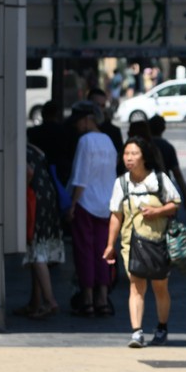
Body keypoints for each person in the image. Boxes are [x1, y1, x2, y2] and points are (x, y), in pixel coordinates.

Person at [104, 137, 182, 348]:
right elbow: (115, 216)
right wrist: (110, 244)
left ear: (144, 156)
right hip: (131, 244)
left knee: (160, 286)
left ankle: (161, 327)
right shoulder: (121, 183)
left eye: (134, 153)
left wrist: (157, 211)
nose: (128, 158)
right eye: (126, 154)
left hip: (158, 242)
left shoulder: (159, 179)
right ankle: (137, 332)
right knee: (136, 286)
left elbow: (175, 204)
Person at [68, 101, 119, 317]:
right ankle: (103, 299)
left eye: (79, 120)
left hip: (85, 203)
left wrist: (71, 205)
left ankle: (88, 299)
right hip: (106, 204)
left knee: (84, 252)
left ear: (88, 118)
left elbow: (81, 177)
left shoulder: (85, 141)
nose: (77, 125)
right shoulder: (108, 141)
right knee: (103, 251)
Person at [14, 143, 66, 319]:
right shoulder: (36, 149)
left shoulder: (20, 149)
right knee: (40, 248)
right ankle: (35, 303)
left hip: (34, 202)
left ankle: (50, 301)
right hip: (48, 200)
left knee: (36, 252)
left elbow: (28, 171)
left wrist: (22, 189)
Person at [147, 115, 186, 209]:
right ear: (163, 128)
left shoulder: (144, 146)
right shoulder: (168, 147)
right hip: (163, 190)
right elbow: (177, 174)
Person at [88, 88, 125, 154]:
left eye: (102, 106)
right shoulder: (80, 129)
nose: (99, 109)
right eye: (96, 105)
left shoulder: (113, 131)